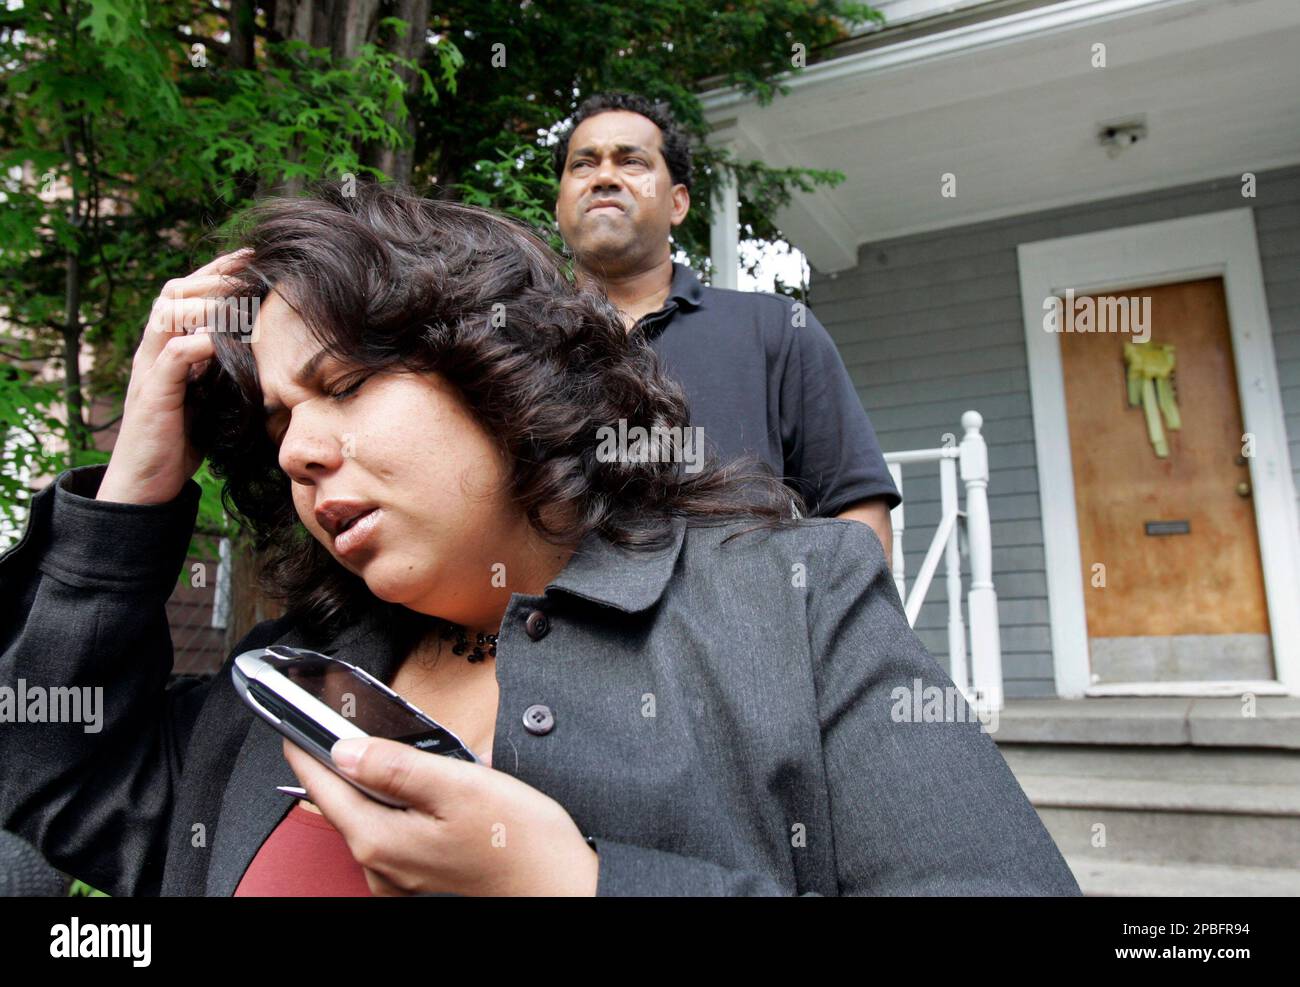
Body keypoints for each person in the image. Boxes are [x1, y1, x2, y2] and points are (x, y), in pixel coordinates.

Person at [0, 180, 1080, 896]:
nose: (298, 453)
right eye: (279, 423)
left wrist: (573, 885)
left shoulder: (792, 606)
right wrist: (137, 478)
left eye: (344, 386)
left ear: (496, 366)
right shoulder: (293, 682)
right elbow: (55, 780)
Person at [552, 91, 900, 552]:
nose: (604, 177)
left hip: (745, 622)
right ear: (559, 204)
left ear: (678, 203)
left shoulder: (775, 329)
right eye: (583, 164)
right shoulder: (513, 342)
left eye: (631, 162)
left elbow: (858, 512)